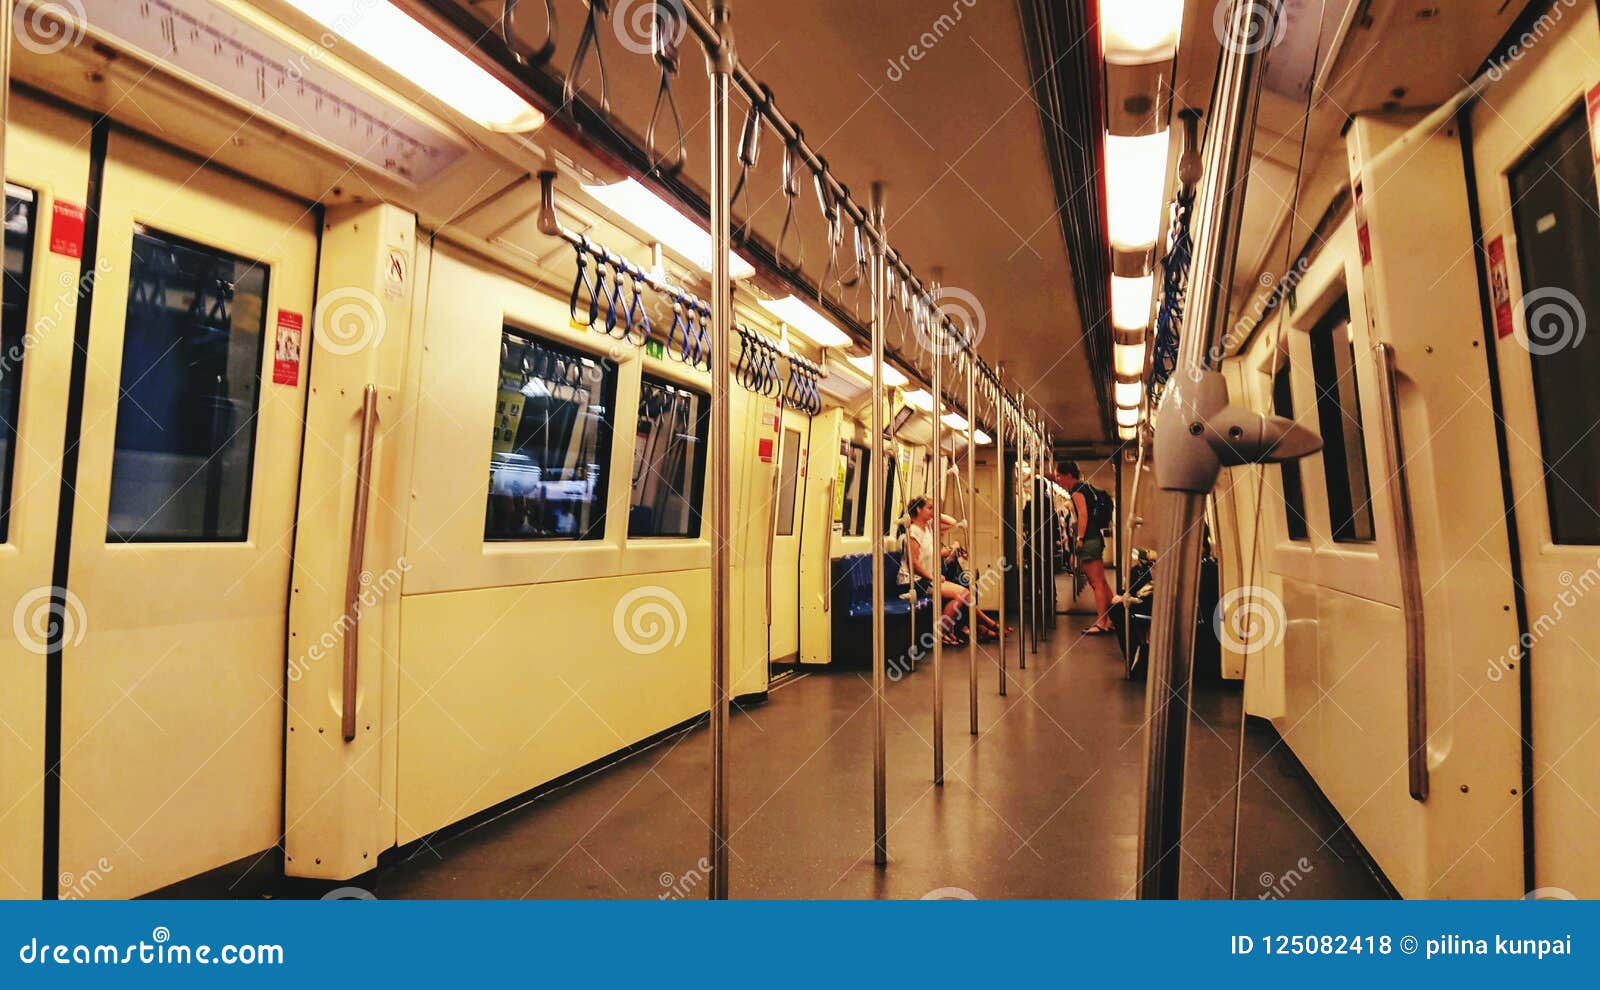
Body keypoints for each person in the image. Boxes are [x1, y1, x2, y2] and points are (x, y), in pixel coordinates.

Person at [900, 496, 995, 645]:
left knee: (959, 598)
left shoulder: (927, 527)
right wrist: (932, 577)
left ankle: (942, 633)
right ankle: (987, 624)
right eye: (930, 508)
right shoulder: (913, 532)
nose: (933, 511)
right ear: (918, 509)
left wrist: (934, 511)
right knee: (964, 594)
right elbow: (913, 564)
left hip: (925, 579)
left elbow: (951, 522)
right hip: (912, 581)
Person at [1050, 461, 1116, 635]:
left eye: (1059, 475)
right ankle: (1113, 619)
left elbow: (1083, 515)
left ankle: (1102, 622)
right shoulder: (1085, 487)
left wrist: (1080, 539)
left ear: (1068, 475)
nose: (1058, 479)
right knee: (1101, 582)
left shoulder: (1077, 490)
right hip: (1094, 538)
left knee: (1096, 584)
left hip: (1088, 539)